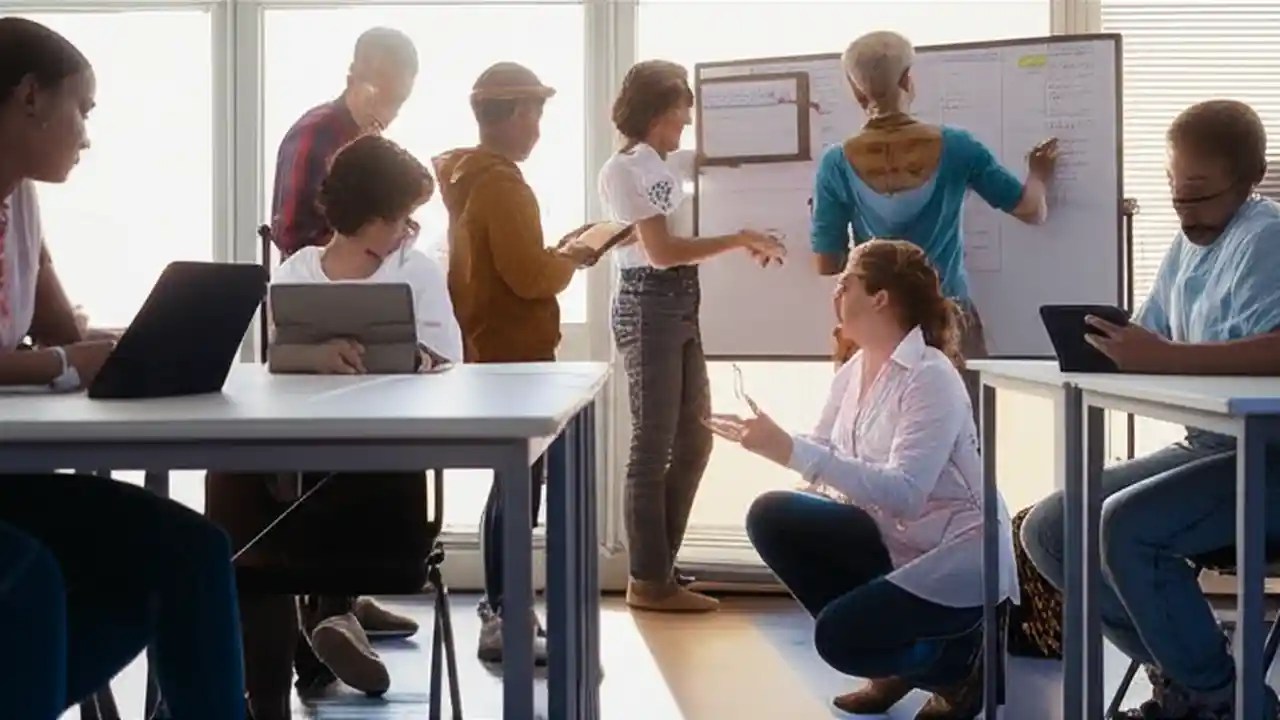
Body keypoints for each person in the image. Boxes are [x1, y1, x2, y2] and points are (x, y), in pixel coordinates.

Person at [0, 17, 245, 718]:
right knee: (30, 577)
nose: (85, 133)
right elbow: (53, 352)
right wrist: (59, 363)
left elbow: (53, 326)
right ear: (29, 98)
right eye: (82, 107)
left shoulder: (19, 196)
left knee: (189, 554)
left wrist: (120, 341)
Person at [1021, 100, 1280, 720]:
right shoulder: (1186, 246)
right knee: (1050, 529)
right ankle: (1193, 676)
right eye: (1174, 193)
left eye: (1199, 196)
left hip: (1267, 455)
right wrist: (1114, 345)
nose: (1184, 212)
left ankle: (1225, 703)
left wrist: (1162, 355)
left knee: (1127, 526)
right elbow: (1151, 337)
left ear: (1249, 179)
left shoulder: (1266, 235)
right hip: (1211, 446)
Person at [206, 134, 460, 720]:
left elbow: (450, 357)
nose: (406, 232)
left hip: (382, 487)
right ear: (370, 218)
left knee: (262, 528)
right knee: (250, 524)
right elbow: (274, 367)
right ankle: (273, 686)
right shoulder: (297, 271)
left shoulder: (414, 272)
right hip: (299, 479)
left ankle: (324, 618)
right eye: (402, 219)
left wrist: (409, 357)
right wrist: (311, 358)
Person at [713, 239, 1018, 719]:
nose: (835, 293)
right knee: (772, 515)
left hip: (956, 555)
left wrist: (791, 451)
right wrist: (768, 442)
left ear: (879, 297)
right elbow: (824, 454)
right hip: (896, 539)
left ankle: (956, 663)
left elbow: (906, 494)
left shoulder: (931, 375)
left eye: (845, 282)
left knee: (839, 639)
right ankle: (900, 661)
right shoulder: (857, 366)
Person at [262, 25, 422, 695]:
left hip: (362, 305)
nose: (393, 102)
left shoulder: (372, 146)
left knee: (371, 438)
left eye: (404, 93)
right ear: (359, 73)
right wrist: (356, 258)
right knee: (328, 453)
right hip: (320, 310)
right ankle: (328, 614)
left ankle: (342, 606)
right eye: (387, 87)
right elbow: (301, 233)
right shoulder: (316, 134)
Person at [599, 60, 787, 613]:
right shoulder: (625, 168)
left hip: (679, 300)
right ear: (660, 109)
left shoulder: (664, 162)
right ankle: (649, 581)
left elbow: (723, 156)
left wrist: (787, 111)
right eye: (683, 107)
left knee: (696, 438)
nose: (688, 118)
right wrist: (739, 238)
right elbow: (659, 253)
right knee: (652, 445)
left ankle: (658, 570)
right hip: (648, 300)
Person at [433, 62, 596, 664]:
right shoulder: (502, 184)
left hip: (488, 350)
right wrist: (574, 257)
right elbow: (529, 277)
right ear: (516, 115)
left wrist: (556, 253)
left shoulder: (467, 176)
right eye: (536, 116)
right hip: (516, 357)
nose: (538, 131)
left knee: (511, 487)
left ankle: (503, 611)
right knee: (519, 489)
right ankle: (506, 615)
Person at [813, 31, 1057, 382]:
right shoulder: (957, 147)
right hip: (950, 319)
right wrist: (1038, 174)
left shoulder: (835, 163)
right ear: (907, 80)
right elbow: (1032, 210)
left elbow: (828, 263)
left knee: (880, 431)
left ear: (856, 90)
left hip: (879, 325)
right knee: (964, 429)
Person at [270, 26, 418, 257]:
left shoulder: (371, 141)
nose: (390, 113)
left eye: (398, 101)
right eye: (383, 96)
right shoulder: (315, 133)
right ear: (352, 78)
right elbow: (292, 234)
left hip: (366, 284)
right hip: (316, 287)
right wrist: (363, 251)